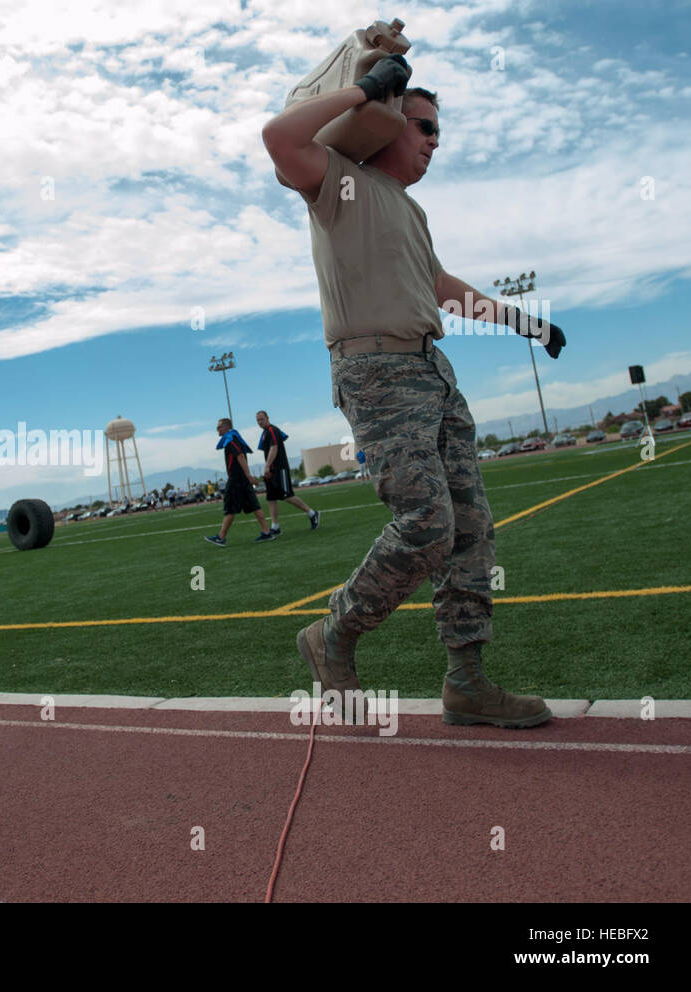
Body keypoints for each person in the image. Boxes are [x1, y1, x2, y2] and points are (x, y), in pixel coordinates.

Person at [263, 57, 565, 728]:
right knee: (427, 526)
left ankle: (467, 682)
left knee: (469, 531)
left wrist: (523, 320)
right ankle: (333, 634)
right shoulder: (337, 181)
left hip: (432, 371)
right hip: (376, 373)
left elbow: (440, 288)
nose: (433, 141)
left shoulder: (409, 208)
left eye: (439, 132)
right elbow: (279, 139)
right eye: (424, 126)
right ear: (386, 123)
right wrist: (365, 91)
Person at [205, 418, 275, 546]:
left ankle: (221, 537)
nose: (217, 430)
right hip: (242, 479)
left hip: (237, 479)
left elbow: (240, 456)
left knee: (230, 508)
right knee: (254, 505)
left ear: (226, 427)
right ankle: (266, 532)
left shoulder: (231, 440)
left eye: (219, 427)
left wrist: (248, 476)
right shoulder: (233, 438)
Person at [255, 410, 319, 536]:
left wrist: (267, 466)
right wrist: (267, 468)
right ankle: (275, 527)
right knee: (271, 498)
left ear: (267, 418)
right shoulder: (265, 433)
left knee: (287, 495)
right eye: (257, 420)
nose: (259, 422)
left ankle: (312, 513)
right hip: (271, 471)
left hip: (280, 469)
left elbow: (274, 448)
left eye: (261, 419)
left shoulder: (273, 430)